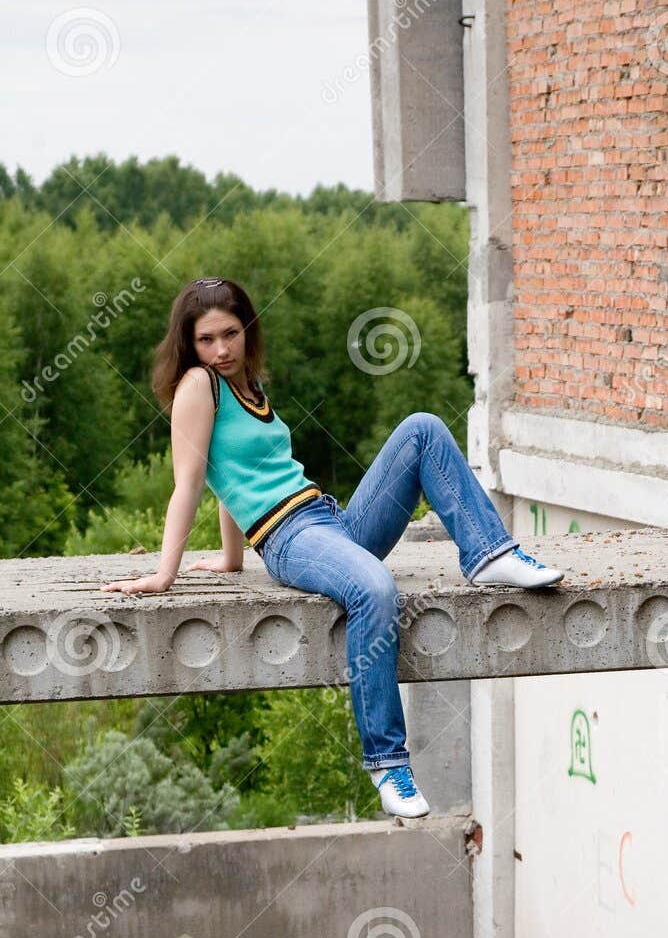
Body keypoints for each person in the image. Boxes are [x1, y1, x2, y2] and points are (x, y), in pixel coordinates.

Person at [103, 276, 564, 818]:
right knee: (375, 589)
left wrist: (231, 560)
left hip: (331, 519)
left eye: (230, 334)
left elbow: (233, 474)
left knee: (422, 428)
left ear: (247, 330)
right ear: (189, 343)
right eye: (206, 339)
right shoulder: (197, 387)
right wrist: (165, 574)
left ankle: (489, 554)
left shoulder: (248, 385)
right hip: (289, 538)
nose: (221, 349)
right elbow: (191, 480)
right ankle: (388, 763)